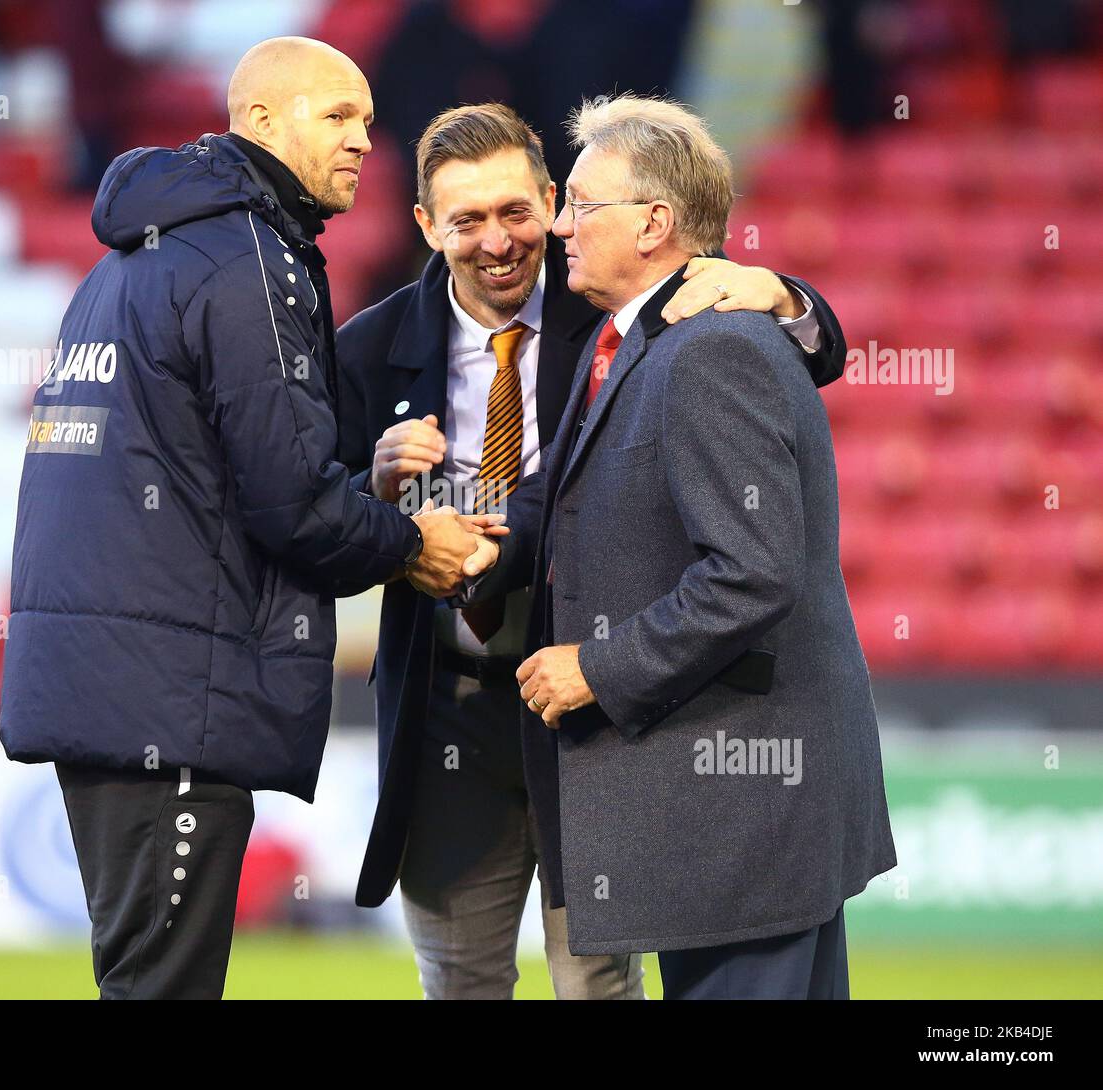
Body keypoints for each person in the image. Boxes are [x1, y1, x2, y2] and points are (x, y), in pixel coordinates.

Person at [0, 37, 504, 1001]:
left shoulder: (134, 258)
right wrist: (409, 543)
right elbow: (290, 504)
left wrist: (358, 474)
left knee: (145, 981)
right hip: (175, 692)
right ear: (262, 122)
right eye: (337, 116)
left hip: (110, 678)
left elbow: (211, 469)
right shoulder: (249, 257)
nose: (365, 138)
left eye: (366, 117)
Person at [336, 102, 849, 999]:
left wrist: (784, 292)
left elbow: (796, 354)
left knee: (601, 984)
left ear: (547, 197)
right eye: (467, 220)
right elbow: (307, 516)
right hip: (449, 711)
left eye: (521, 211)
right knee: (458, 982)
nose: (501, 241)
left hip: (599, 705)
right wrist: (384, 503)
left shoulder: (613, 315)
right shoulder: (368, 349)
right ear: (425, 225)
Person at [462, 93, 897, 1000]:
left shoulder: (710, 348)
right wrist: (470, 546)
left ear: (656, 222)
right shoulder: (634, 339)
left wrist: (601, 667)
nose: (558, 223)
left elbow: (753, 573)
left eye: (581, 204)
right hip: (732, 816)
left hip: (743, 811)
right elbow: (566, 500)